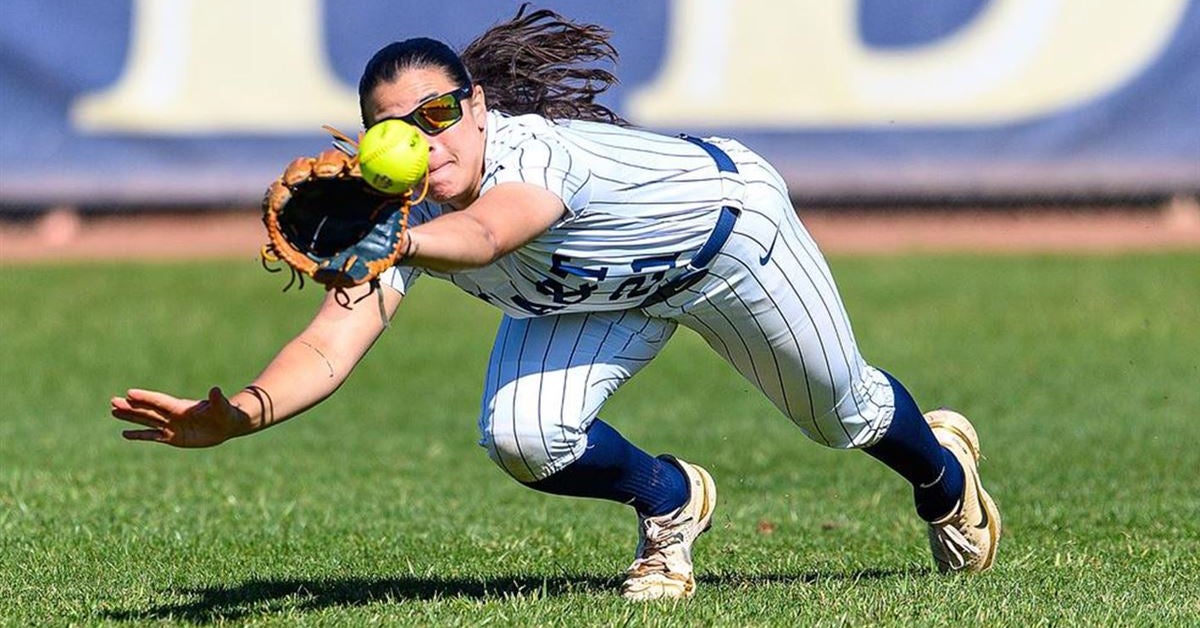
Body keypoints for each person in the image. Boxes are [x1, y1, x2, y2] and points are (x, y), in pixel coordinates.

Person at [110, 7, 1001, 601]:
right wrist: (243, 414)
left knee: (837, 413)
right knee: (524, 435)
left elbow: (496, 231)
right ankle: (671, 501)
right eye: (400, 125)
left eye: (442, 111)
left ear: (479, 106)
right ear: (374, 138)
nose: (427, 135)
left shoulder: (529, 156)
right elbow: (327, 347)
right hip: (587, 298)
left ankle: (945, 479)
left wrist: (403, 241)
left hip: (728, 243)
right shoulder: (393, 220)